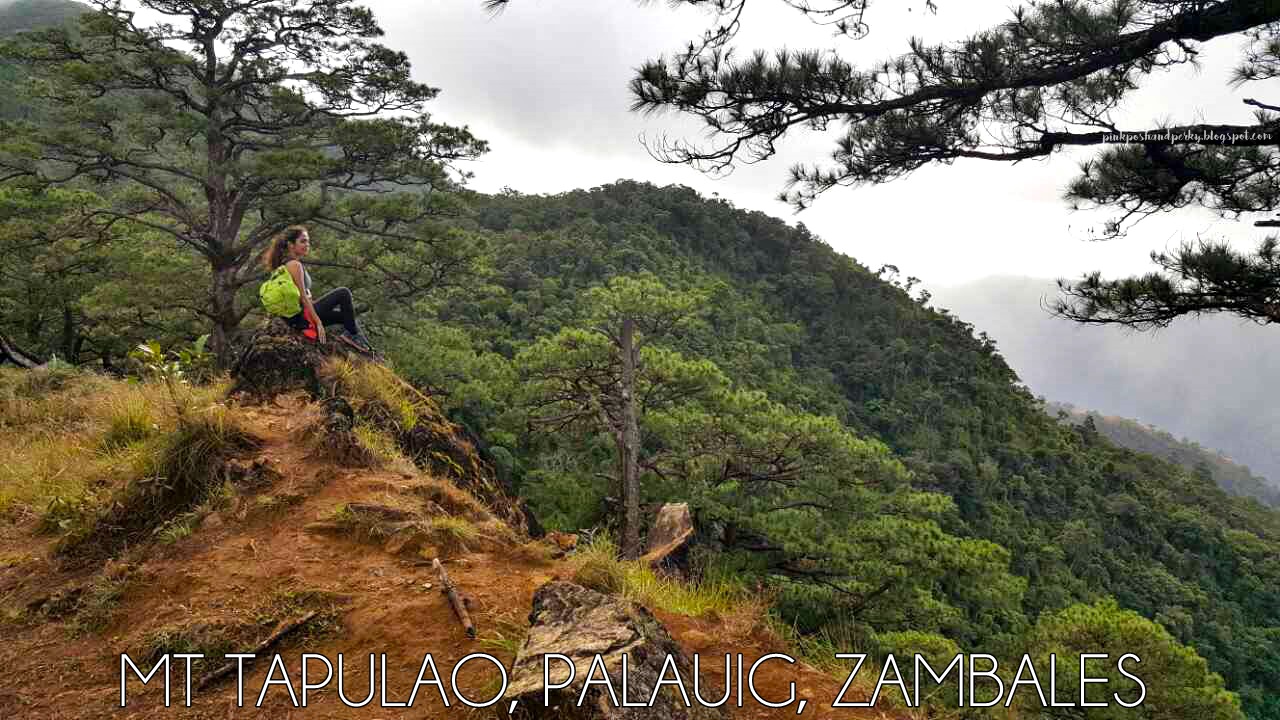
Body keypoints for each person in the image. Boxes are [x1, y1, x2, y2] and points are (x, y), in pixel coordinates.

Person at [261, 225, 375, 354]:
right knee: (343, 292)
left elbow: (299, 296)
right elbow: (303, 297)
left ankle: (360, 343)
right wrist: (318, 322)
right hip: (303, 318)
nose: (307, 244)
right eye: (303, 241)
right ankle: (353, 337)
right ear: (291, 245)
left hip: (300, 316)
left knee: (347, 317)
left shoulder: (285, 265)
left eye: (308, 241)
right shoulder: (294, 265)